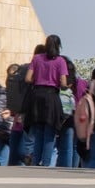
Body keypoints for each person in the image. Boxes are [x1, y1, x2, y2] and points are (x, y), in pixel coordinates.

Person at [23, 35, 70, 167]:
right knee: (50, 132)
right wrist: (63, 85)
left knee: (39, 132)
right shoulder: (60, 61)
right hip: (51, 96)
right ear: (58, 46)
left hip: (37, 95)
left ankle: (35, 161)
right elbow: (63, 83)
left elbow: (27, 78)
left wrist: (39, 80)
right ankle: (46, 162)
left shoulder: (37, 58)